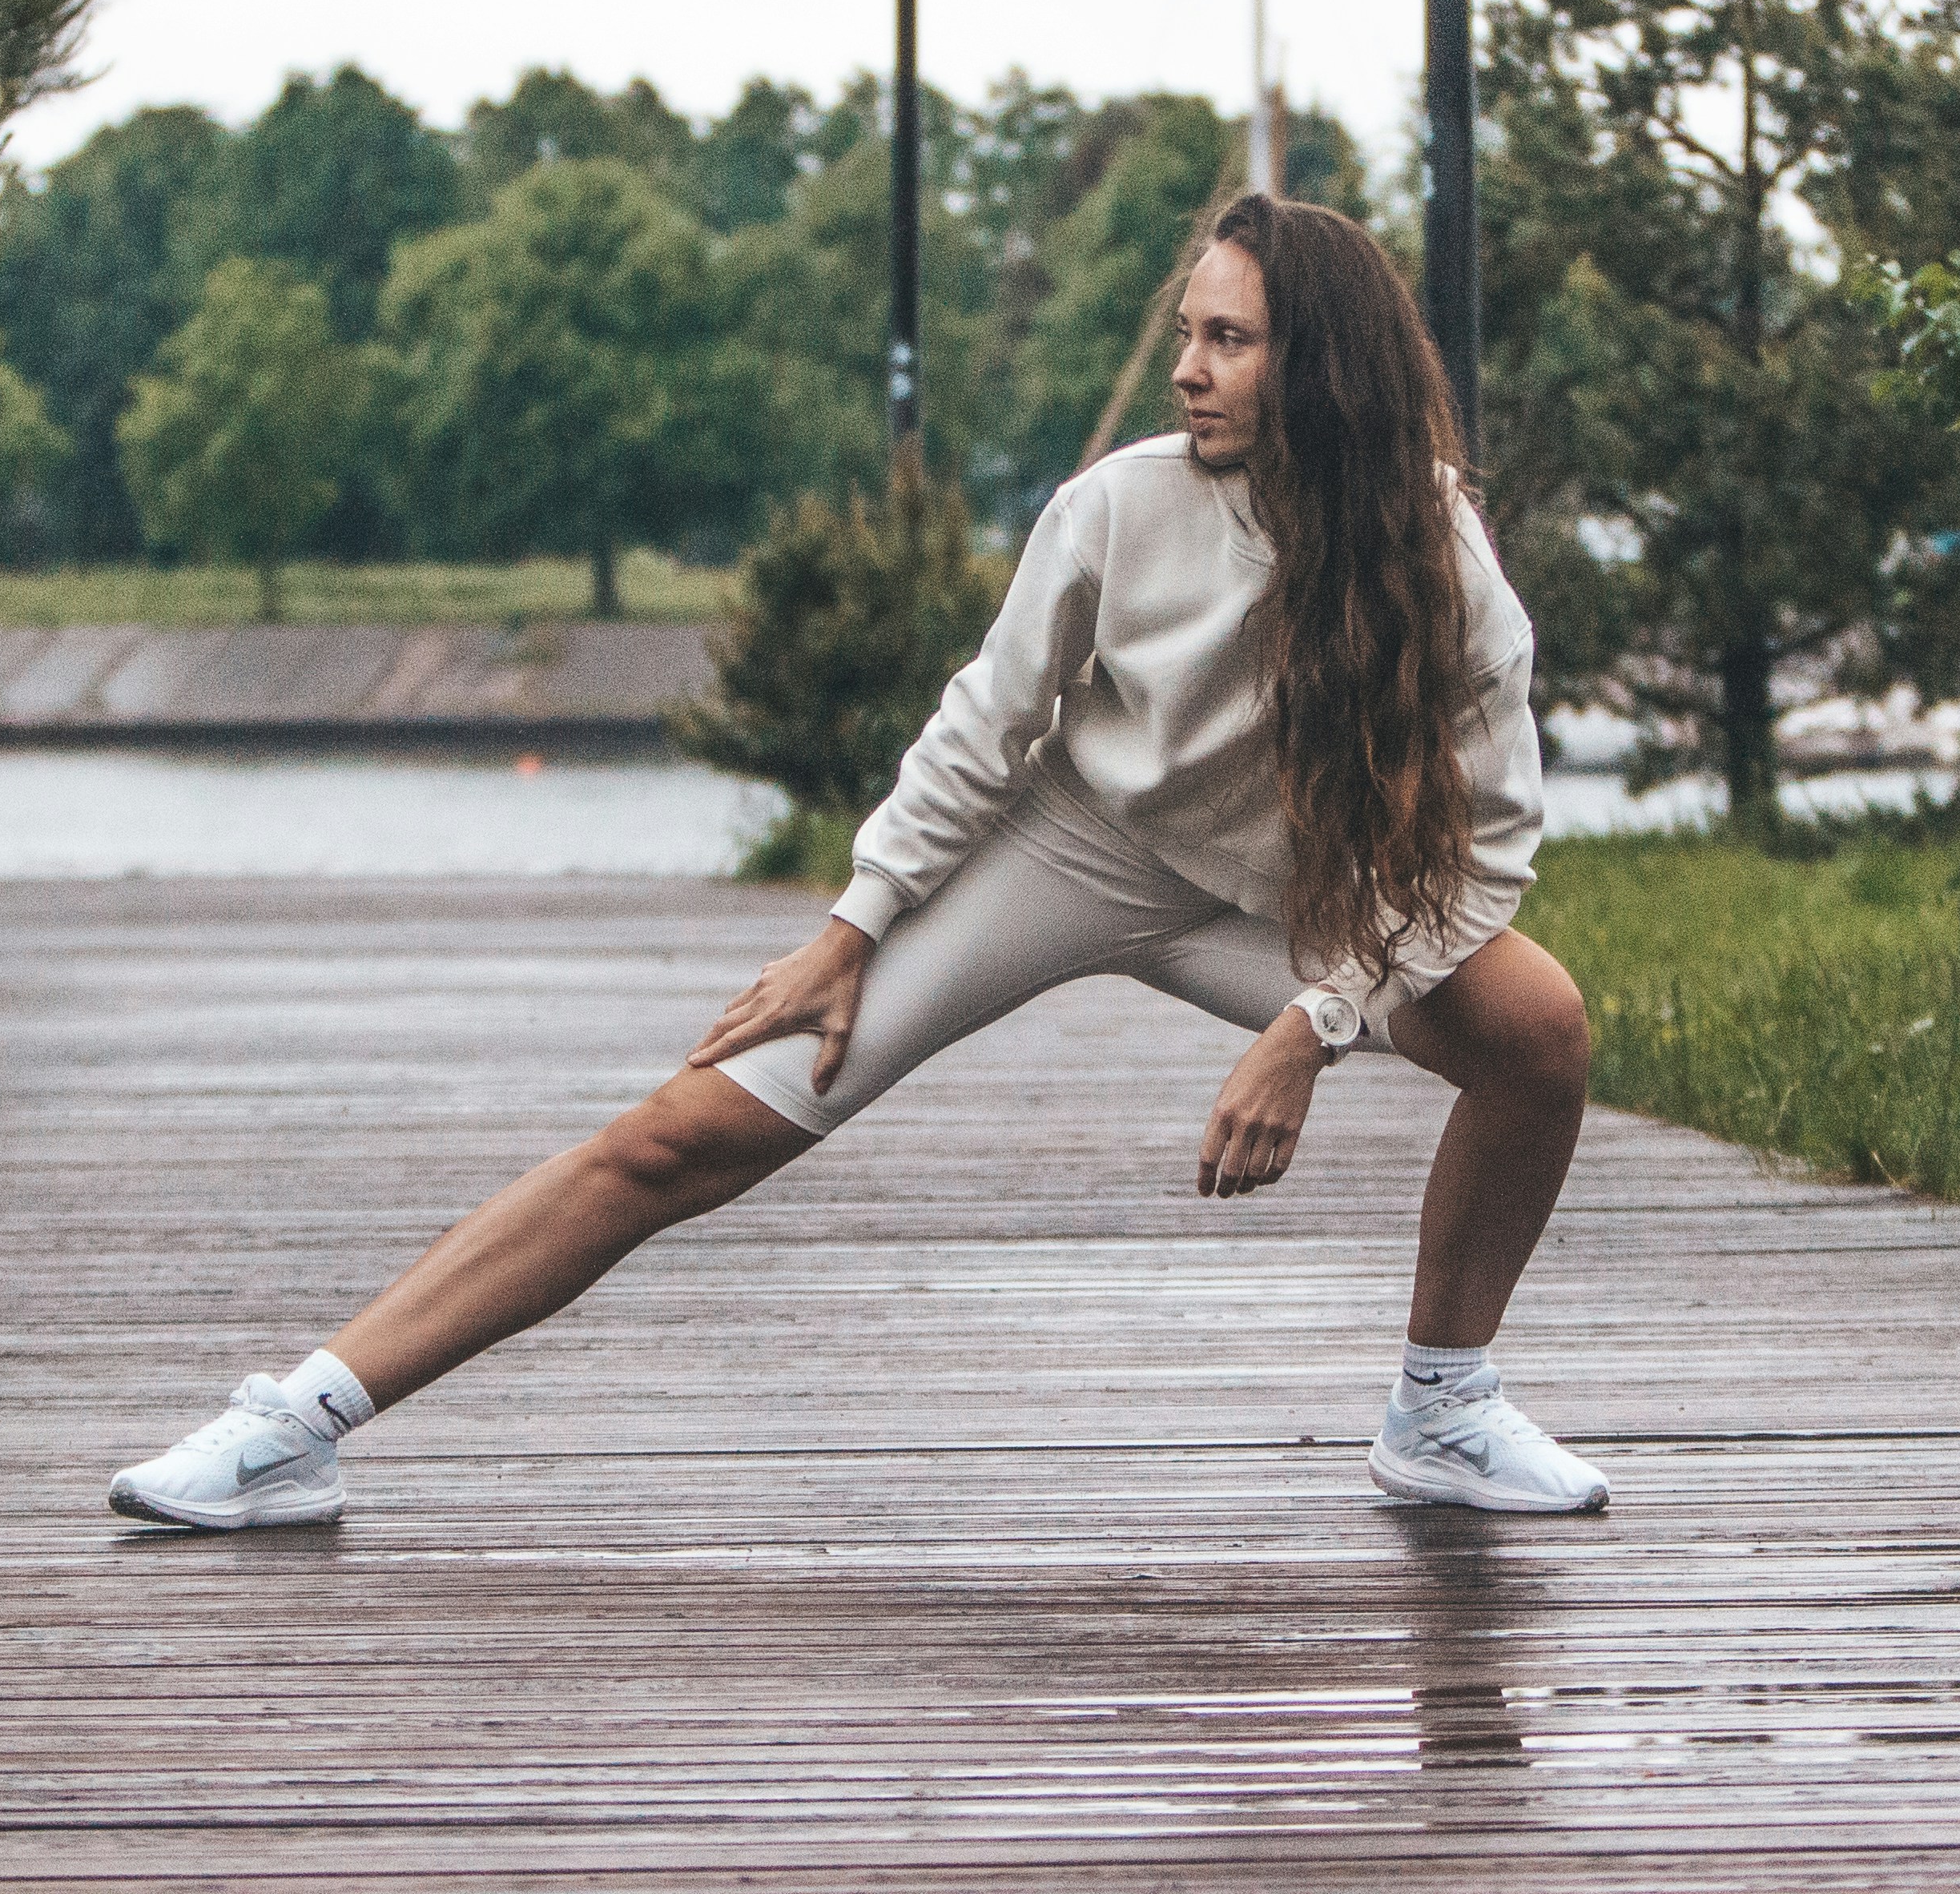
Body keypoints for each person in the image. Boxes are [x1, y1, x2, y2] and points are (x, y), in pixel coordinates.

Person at [105, 192, 1606, 1527]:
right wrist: (856, 921)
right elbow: (986, 724)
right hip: (1076, 840)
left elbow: (1487, 848)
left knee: (1539, 1030)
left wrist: (1314, 1021)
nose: (1188, 368)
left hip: (1297, 910)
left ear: (1324, 369)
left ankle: (1442, 1415)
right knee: (689, 1132)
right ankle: (295, 1423)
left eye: (1232, 341)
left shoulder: (1438, 559)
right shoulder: (1118, 507)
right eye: (1187, 332)